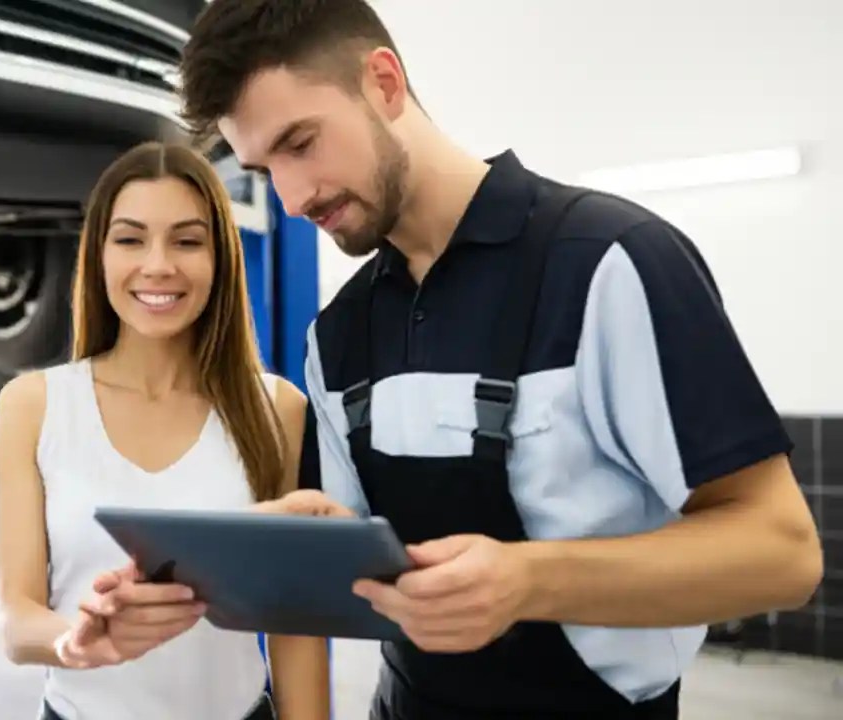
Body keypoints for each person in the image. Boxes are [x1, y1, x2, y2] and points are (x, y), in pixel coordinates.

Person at [80, 1, 826, 718]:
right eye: (263, 166)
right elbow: (353, 555)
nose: (293, 194)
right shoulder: (337, 336)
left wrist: (528, 581)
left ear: (384, 82)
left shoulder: (609, 264)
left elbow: (783, 553)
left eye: (301, 143)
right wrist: (226, 567)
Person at [0, 140, 332, 720]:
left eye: (187, 240)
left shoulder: (277, 409)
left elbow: (293, 625)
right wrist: (77, 638)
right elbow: (15, 618)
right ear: (98, 256)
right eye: (130, 239)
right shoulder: (33, 406)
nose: (158, 265)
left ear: (219, 258)